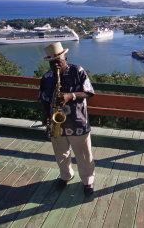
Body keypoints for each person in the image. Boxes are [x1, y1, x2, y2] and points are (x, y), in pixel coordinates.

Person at [39, 42, 95, 195]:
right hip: (57, 124)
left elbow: (89, 92)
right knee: (61, 154)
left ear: (65, 57)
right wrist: (46, 118)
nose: (56, 63)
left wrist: (70, 95)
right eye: (52, 61)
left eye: (59, 59)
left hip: (78, 121)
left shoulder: (78, 71)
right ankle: (66, 175)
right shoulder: (46, 77)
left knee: (84, 154)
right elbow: (43, 99)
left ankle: (88, 181)